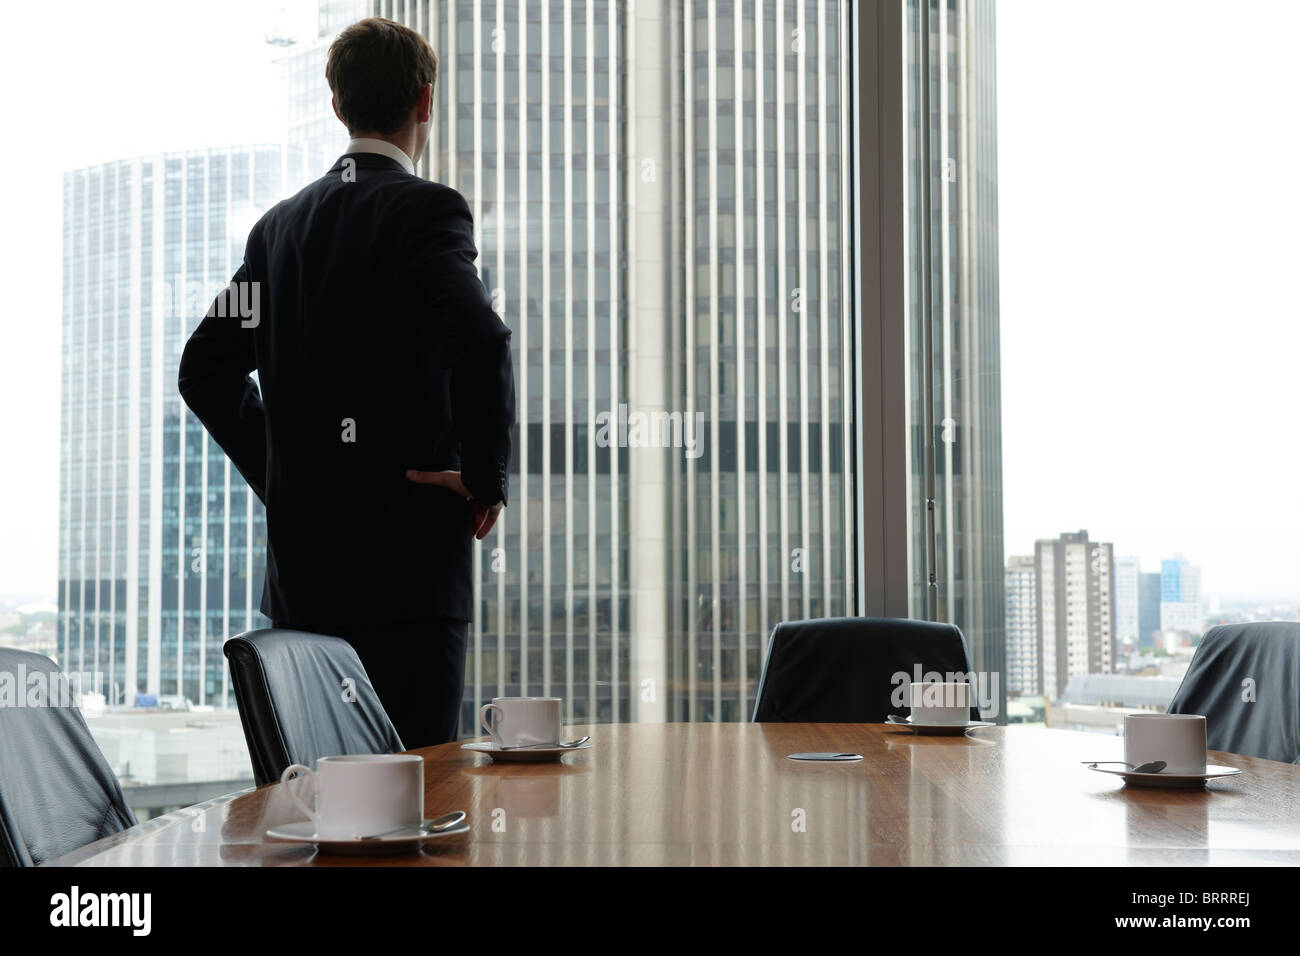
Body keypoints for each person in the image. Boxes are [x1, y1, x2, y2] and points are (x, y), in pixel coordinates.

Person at [178, 17, 516, 748]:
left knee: (318, 803)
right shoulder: (429, 212)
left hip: (306, 583)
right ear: (425, 101)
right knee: (417, 790)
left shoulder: (278, 232)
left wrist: (287, 470)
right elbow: (483, 339)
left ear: (338, 107)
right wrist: (486, 480)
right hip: (413, 578)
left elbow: (203, 369)